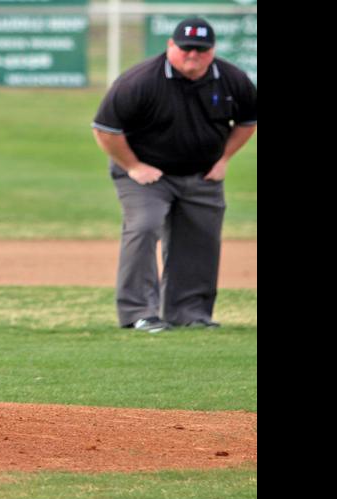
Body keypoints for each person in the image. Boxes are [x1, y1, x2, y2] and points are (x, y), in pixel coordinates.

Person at [91, 19, 257, 332]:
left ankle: (190, 313)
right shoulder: (140, 81)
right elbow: (106, 129)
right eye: (186, 48)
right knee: (144, 226)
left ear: (212, 51)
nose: (193, 55)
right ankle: (139, 312)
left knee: (200, 238)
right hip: (145, 174)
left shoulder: (232, 79)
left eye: (201, 49)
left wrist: (223, 159)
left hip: (202, 174)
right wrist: (134, 166)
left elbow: (248, 121)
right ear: (171, 46)